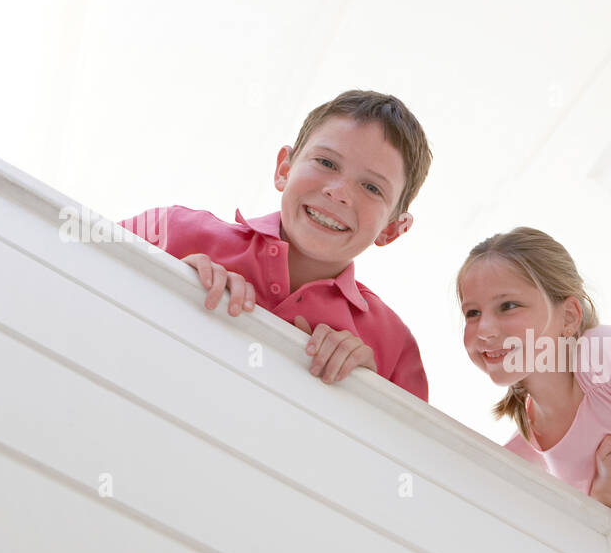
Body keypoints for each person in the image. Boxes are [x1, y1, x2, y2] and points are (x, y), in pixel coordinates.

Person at [118, 90, 433, 401]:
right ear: (284, 168)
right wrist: (164, 281)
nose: (339, 193)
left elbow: (406, 448)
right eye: (326, 162)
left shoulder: (395, 352)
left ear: (392, 228)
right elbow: (75, 276)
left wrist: (369, 396)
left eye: (371, 187)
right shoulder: (170, 230)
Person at [458, 227, 611, 509]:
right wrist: (607, 494)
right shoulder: (527, 432)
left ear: (568, 316)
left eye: (508, 305)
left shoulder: (605, 354)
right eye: (473, 313)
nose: (485, 330)